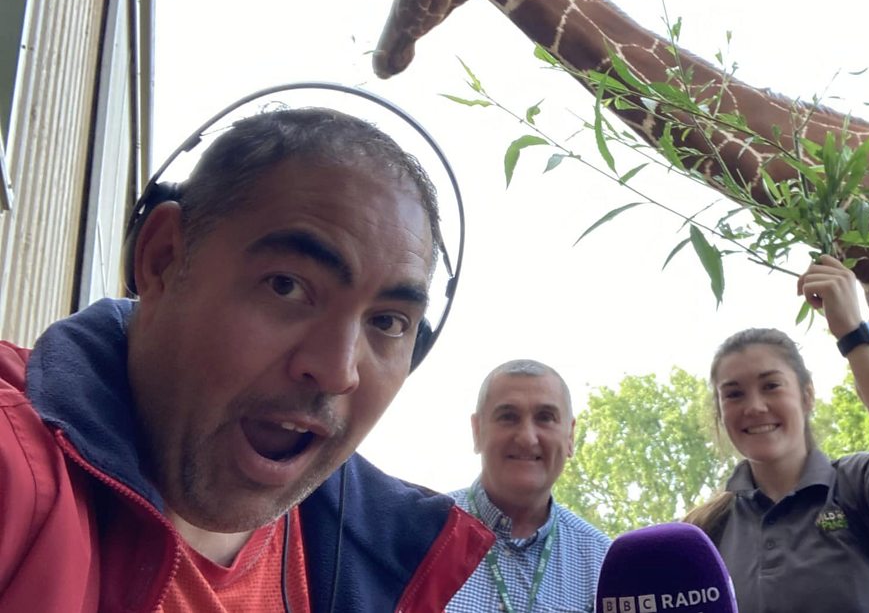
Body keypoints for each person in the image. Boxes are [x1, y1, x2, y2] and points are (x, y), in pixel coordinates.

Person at [0, 107, 492, 612]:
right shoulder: (17, 462)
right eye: (287, 286)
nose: (337, 371)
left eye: (387, 322)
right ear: (162, 259)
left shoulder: (393, 568)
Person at [684, 255, 869, 612]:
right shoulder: (706, 531)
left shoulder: (856, 486)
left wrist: (853, 334)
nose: (754, 406)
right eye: (734, 394)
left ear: (807, 395)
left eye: (771, 386)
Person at [447, 359, 611, 613]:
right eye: (508, 417)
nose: (527, 438)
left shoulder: (602, 565)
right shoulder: (421, 534)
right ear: (477, 431)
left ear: (570, 436)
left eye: (545, 418)